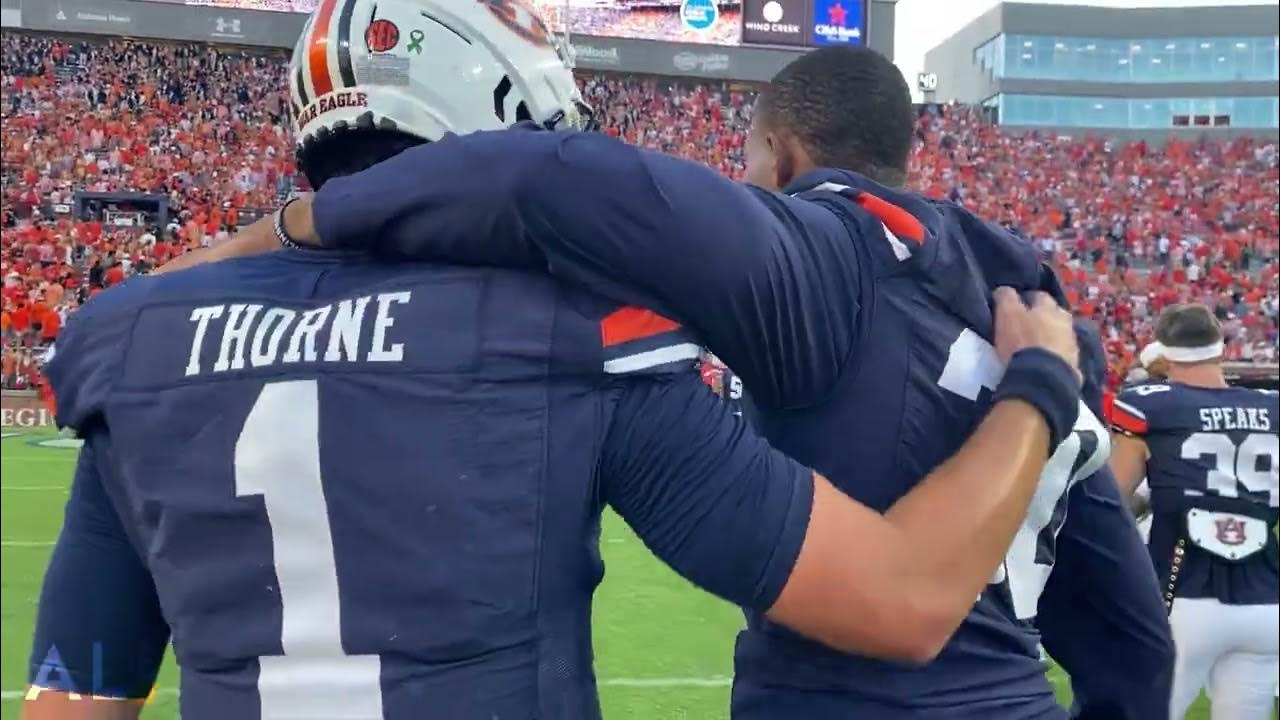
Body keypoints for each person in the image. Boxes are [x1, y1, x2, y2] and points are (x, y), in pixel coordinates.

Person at [22, 2, 1087, 719]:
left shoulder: (144, 345)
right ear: (500, 97)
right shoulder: (567, 332)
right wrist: (1037, 387)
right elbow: (898, 600)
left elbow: (74, 699)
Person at [241, 45, 1176, 719]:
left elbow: (544, 179)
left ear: (784, 156)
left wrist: (289, 228)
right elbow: (1130, 637)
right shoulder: (1035, 306)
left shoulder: (824, 253)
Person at [1109, 304, 1279, 720]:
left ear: (1165, 355)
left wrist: (1150, 499)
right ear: (1222, 350)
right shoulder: (1271, 407)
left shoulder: (1148, 403)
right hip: (1267, 600)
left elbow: (1113, 498)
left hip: (1181, 593)